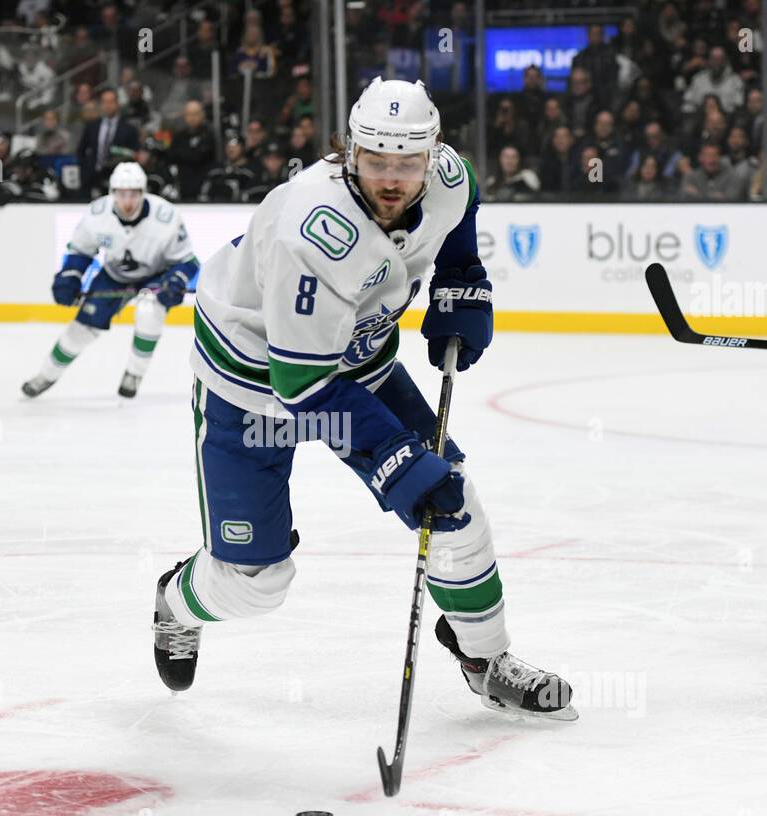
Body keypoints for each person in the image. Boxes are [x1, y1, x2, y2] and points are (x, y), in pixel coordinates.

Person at [149, 78, 576, 720]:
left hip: (356, 356)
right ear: (350, 152)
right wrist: (393, 457)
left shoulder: (447, 174)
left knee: (453, 501)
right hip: (254, 383)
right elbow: (304, 388)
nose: (392, 178)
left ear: (431, 154)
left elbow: (460, 212)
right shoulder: (309, 234)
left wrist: (463, 281)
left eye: (408, 163)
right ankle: (176, 603)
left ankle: (485, 657)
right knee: (257, 583)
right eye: (376, 161)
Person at [20, 162, 198, 401]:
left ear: (143, 193)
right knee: (80, 331)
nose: (127, 202)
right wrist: (70, 276)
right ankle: (46, 374)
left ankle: (134, 373)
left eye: (134, 194)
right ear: (112, 193)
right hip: (114, 276)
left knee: (148, 311)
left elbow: (188, 261)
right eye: (121, 194)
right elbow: (80, 252)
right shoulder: (97, 214)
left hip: (155, 276)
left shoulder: (166, 217)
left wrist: (176, 280)